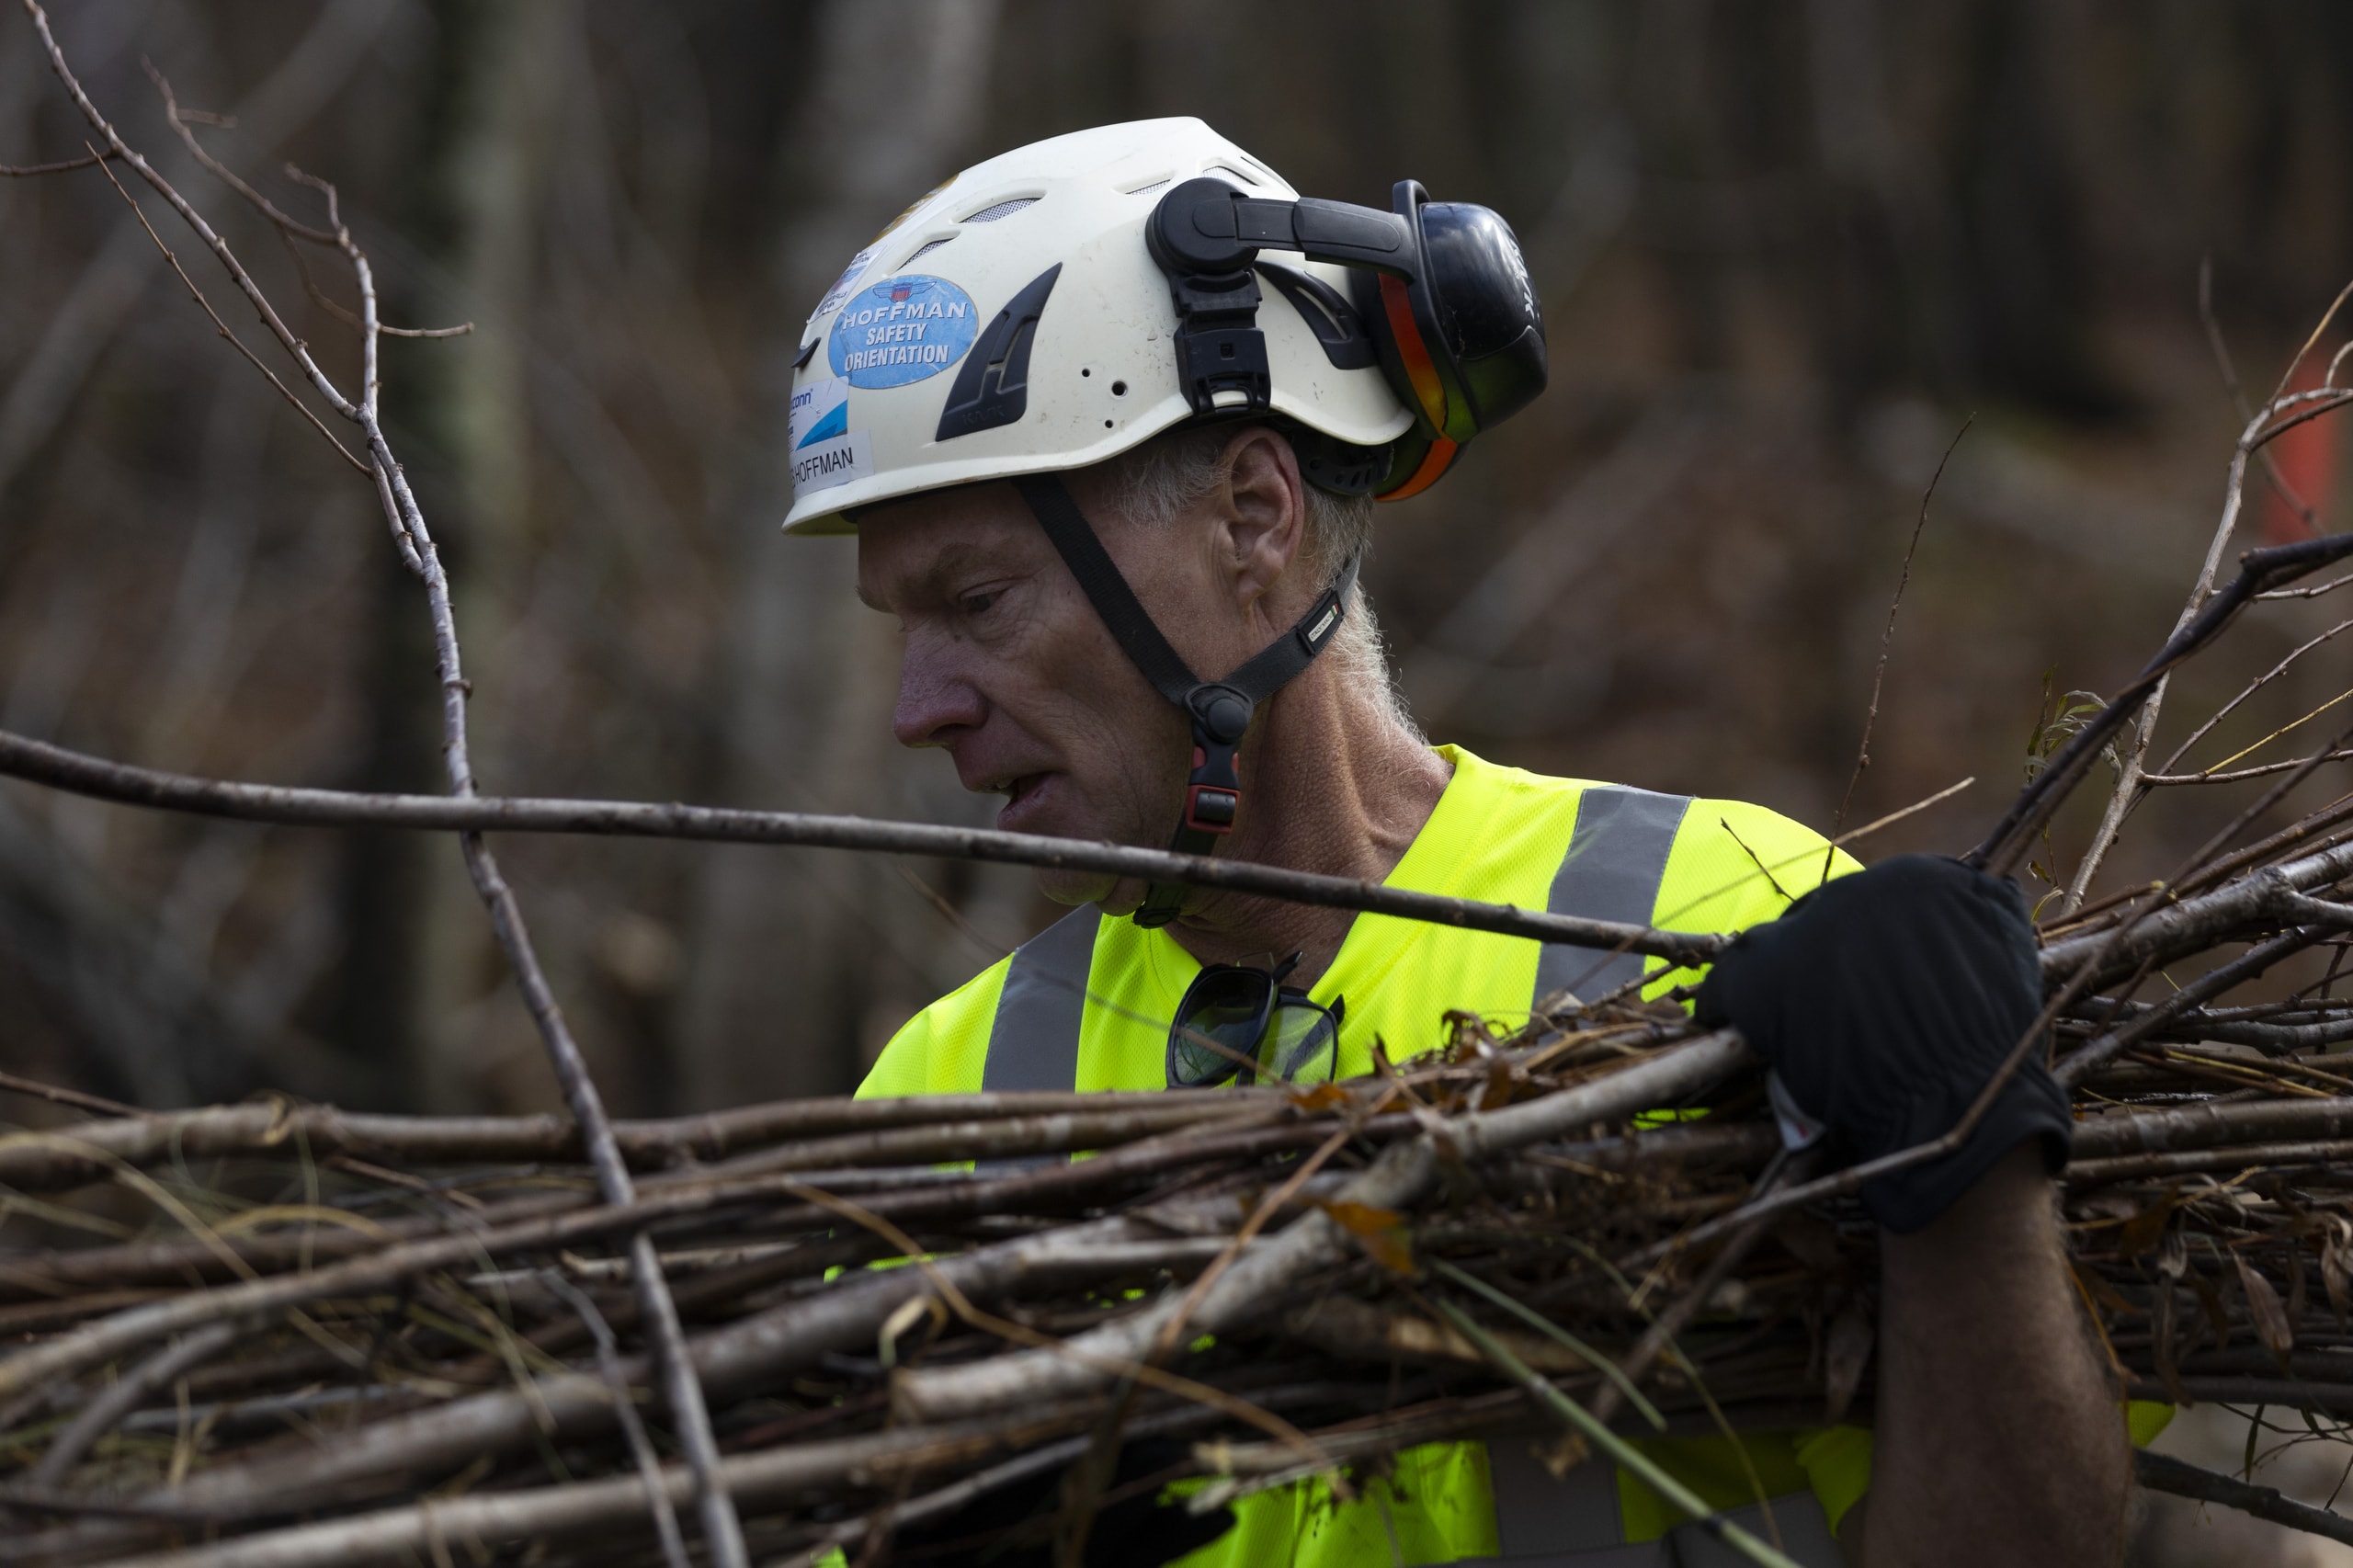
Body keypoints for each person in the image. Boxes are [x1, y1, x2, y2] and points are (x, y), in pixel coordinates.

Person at [784, 118, 2131, 1567]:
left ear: (1254, 514)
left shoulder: (1715, 921)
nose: (918, 709)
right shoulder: (938, 1103)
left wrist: (1974, 1209)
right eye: (903, 628)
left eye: (978, 602)